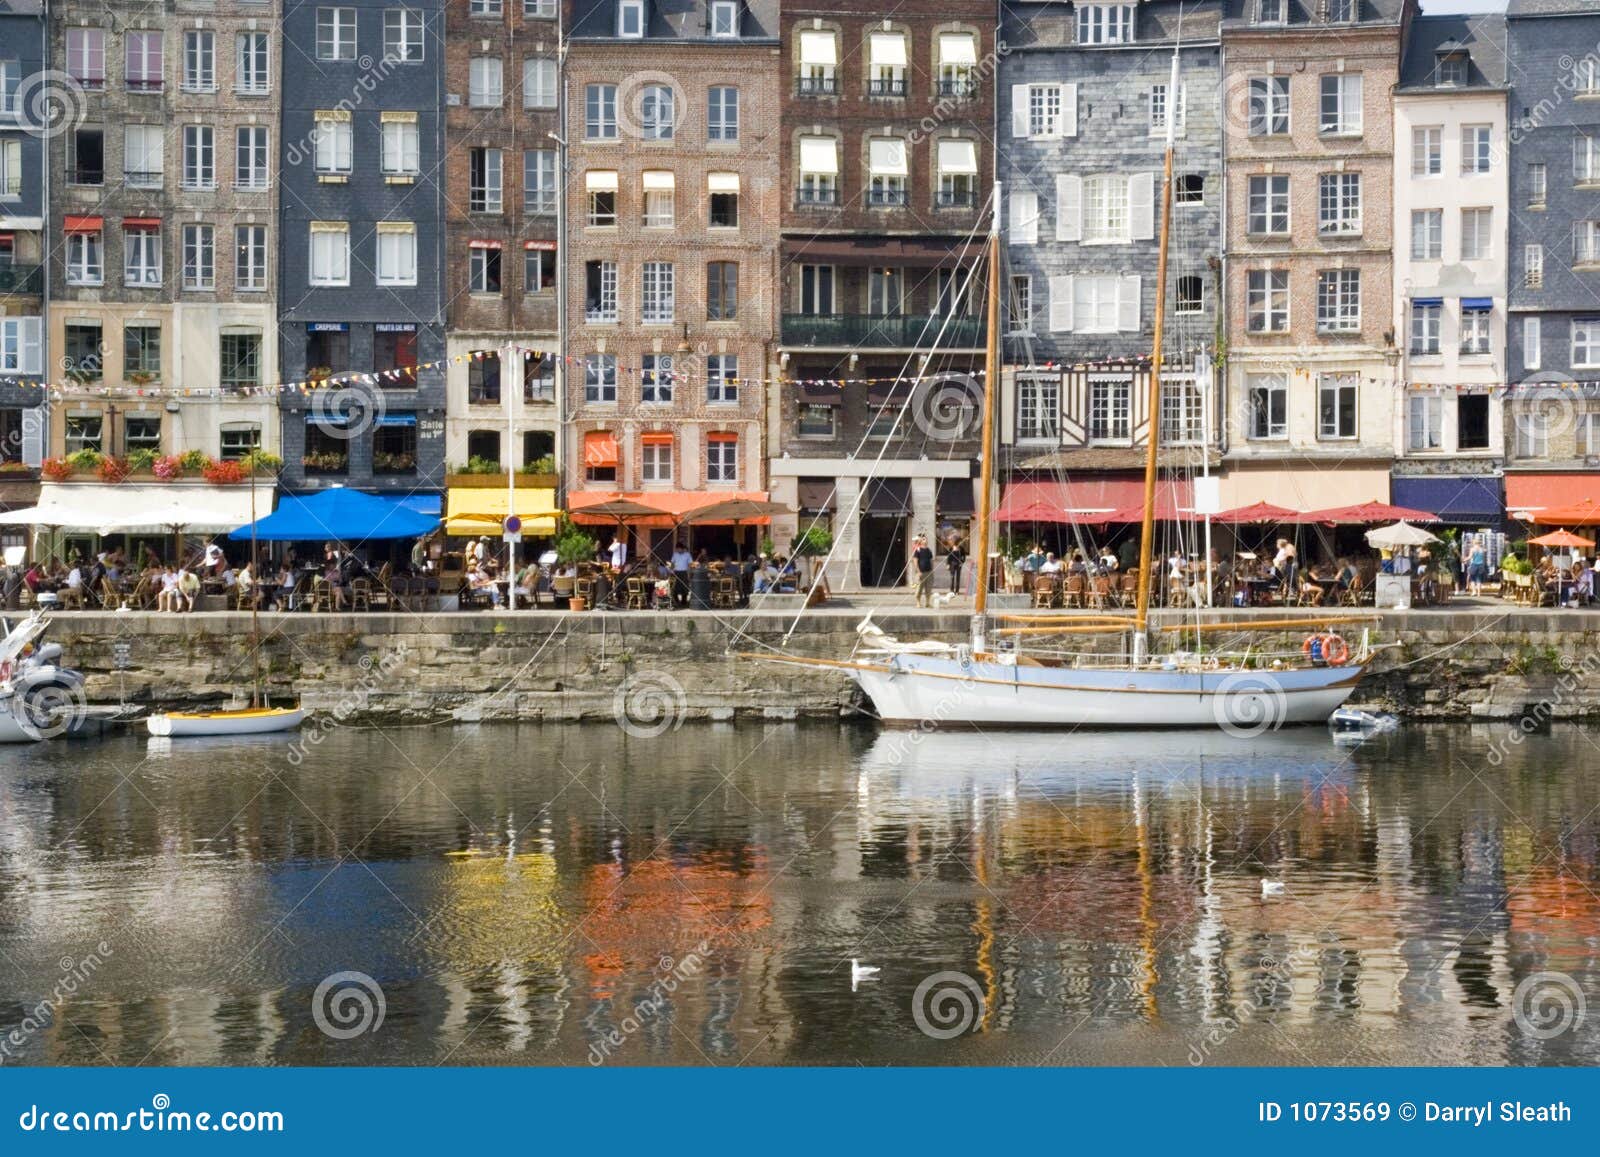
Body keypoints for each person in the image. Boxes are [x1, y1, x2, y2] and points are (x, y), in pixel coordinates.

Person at [911, 533, 935, 608]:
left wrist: (932, 570)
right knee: (919, 588)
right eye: (923, 539)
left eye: (925, 538)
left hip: (929, 572)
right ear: (920, 540)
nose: (925, 540)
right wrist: (918, 572)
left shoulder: (928, 550)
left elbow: (931, 560)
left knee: (929, 588)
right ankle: (918, 602)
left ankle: (927, 603)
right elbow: (915, 561)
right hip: (921, 572)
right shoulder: (917, 550)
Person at [670, 541, 692, 609]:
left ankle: (684, 601)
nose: (678, 550)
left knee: (684, 587)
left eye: (679, 549)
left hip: (684, 572)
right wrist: (671, 571)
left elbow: (689, 565)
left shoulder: (687, 554)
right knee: (675, 587)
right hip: (676, 572)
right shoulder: (675, 554)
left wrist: (689, 574)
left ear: (682, 548)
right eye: (677, 549)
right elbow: (672, 563)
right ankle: (676, 601)